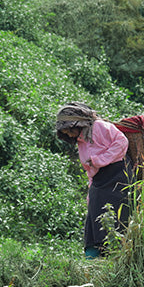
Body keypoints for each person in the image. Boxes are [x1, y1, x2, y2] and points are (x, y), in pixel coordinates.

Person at [56, 102, 130, 258]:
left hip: (117, 176)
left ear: (76, 124)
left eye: (68, 130)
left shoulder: (100, 127)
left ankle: (115, 254)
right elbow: (90, 171)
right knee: (93, 218)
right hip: (99, 182)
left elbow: (122, 142)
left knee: (117, 217)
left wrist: (99, 160)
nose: (69, 135)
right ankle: (93, 258)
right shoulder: (80, 141)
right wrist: (90, 193)